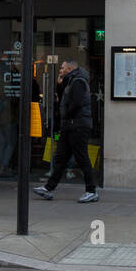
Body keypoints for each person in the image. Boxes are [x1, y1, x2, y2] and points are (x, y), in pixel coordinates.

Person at [34, 58, 99, 203]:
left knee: (82, 157)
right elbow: (64, 97)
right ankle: (49, 188)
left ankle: (91, 190)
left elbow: (76, 103)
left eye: (62, 68)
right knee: (60, 157)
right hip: (70, 125)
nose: (61, 70)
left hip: (77, 126)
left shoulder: (78, 82)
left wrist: (66, 114)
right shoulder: (71, 81)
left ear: (69, 69)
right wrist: (60, 85)